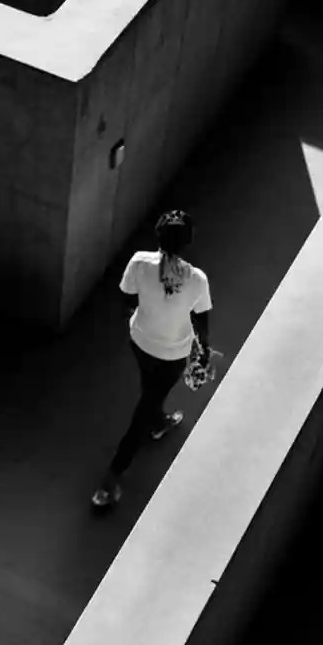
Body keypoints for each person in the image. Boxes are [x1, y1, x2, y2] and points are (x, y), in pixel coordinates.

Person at [91, 210, 213, 508]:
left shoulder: (139, 262)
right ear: (188, 242)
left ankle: (159, 419)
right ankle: (111, 480)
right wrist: (204, 350)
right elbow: (202, 321)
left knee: (150, 387)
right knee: (144, 408)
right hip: (174, 353)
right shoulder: (197, 280)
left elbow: (126, 299)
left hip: (140, 343)